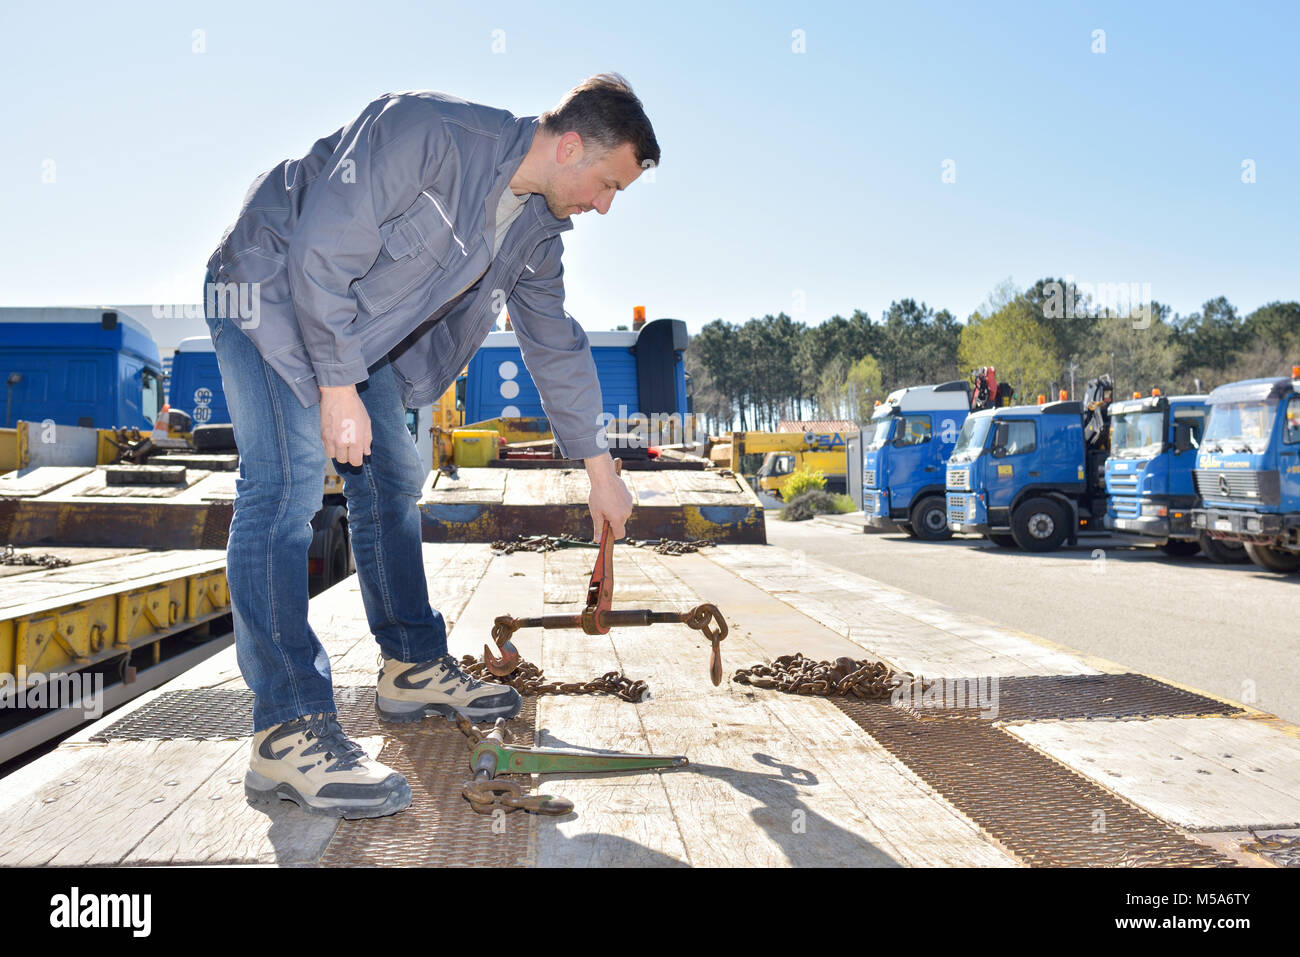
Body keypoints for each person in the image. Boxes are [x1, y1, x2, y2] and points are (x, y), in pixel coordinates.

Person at [202, 74, 656, 819]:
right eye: (607, 184)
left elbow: (556, 347)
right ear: (570, 145)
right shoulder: (427, 133)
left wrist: (601, 473)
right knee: (285, 486)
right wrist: (339, 389)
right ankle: (285, 728)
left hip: (353, 329)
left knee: (391, 477)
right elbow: (322, 247)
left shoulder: (537, 234)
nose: (603, 206)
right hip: (268, 285)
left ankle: (411, 665)